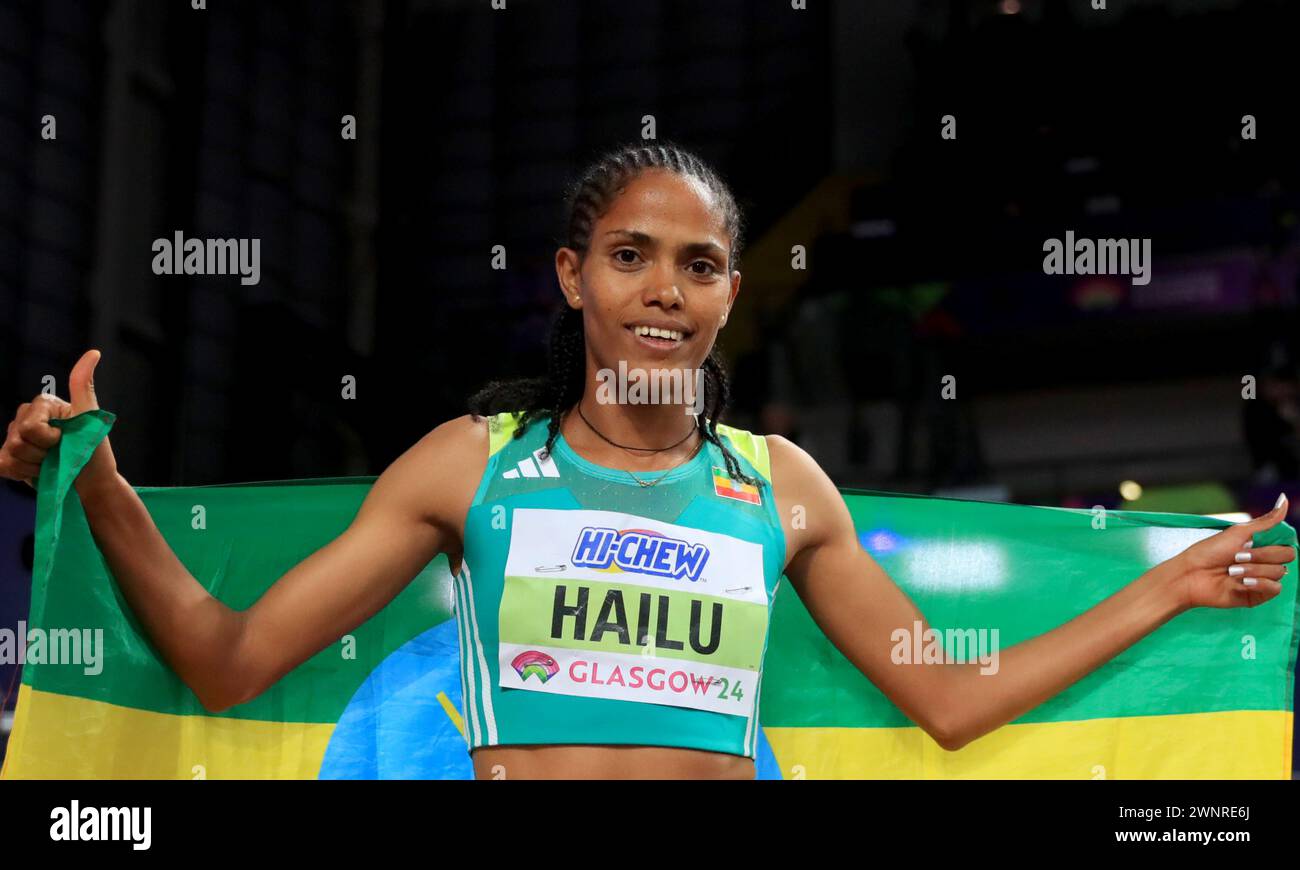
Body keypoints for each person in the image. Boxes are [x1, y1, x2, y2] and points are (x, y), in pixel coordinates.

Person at [1, 142, 1293, 780]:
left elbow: (953, 698)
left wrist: (1171, 583)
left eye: (698, 263)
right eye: (630, 256)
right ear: (573, 278)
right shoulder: (474, 467)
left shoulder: (781, 488)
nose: (663, 290)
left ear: (732, 291)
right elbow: (229, 663)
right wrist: (100, 490)